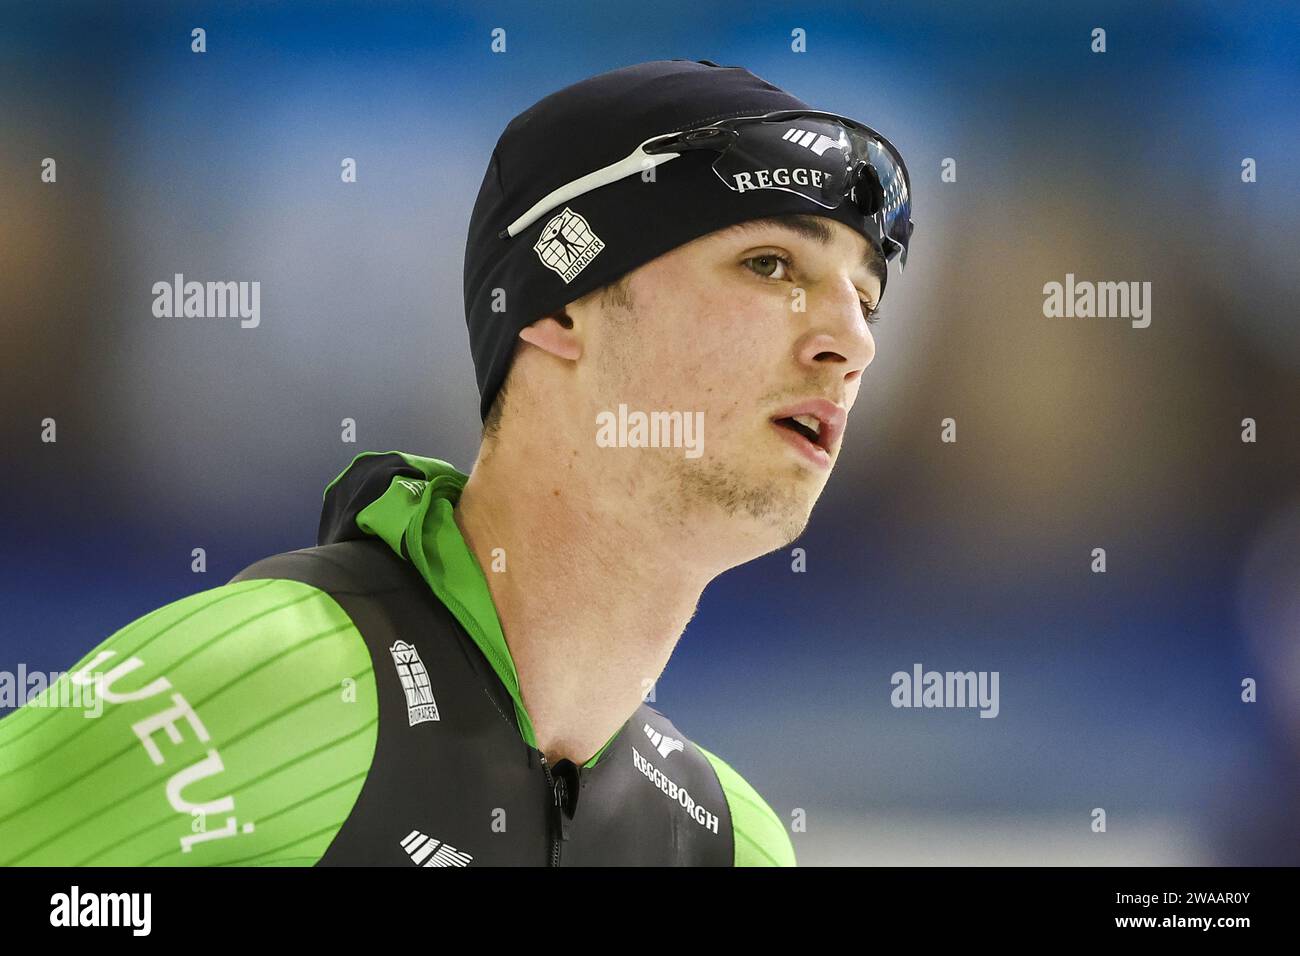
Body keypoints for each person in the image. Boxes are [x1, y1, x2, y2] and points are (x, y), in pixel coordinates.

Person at [0, 58, 912, 866]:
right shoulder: (268, 683)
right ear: (559, 311)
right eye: (767, 265)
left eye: (866, 298)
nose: (852, 343)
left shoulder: (728, 845)